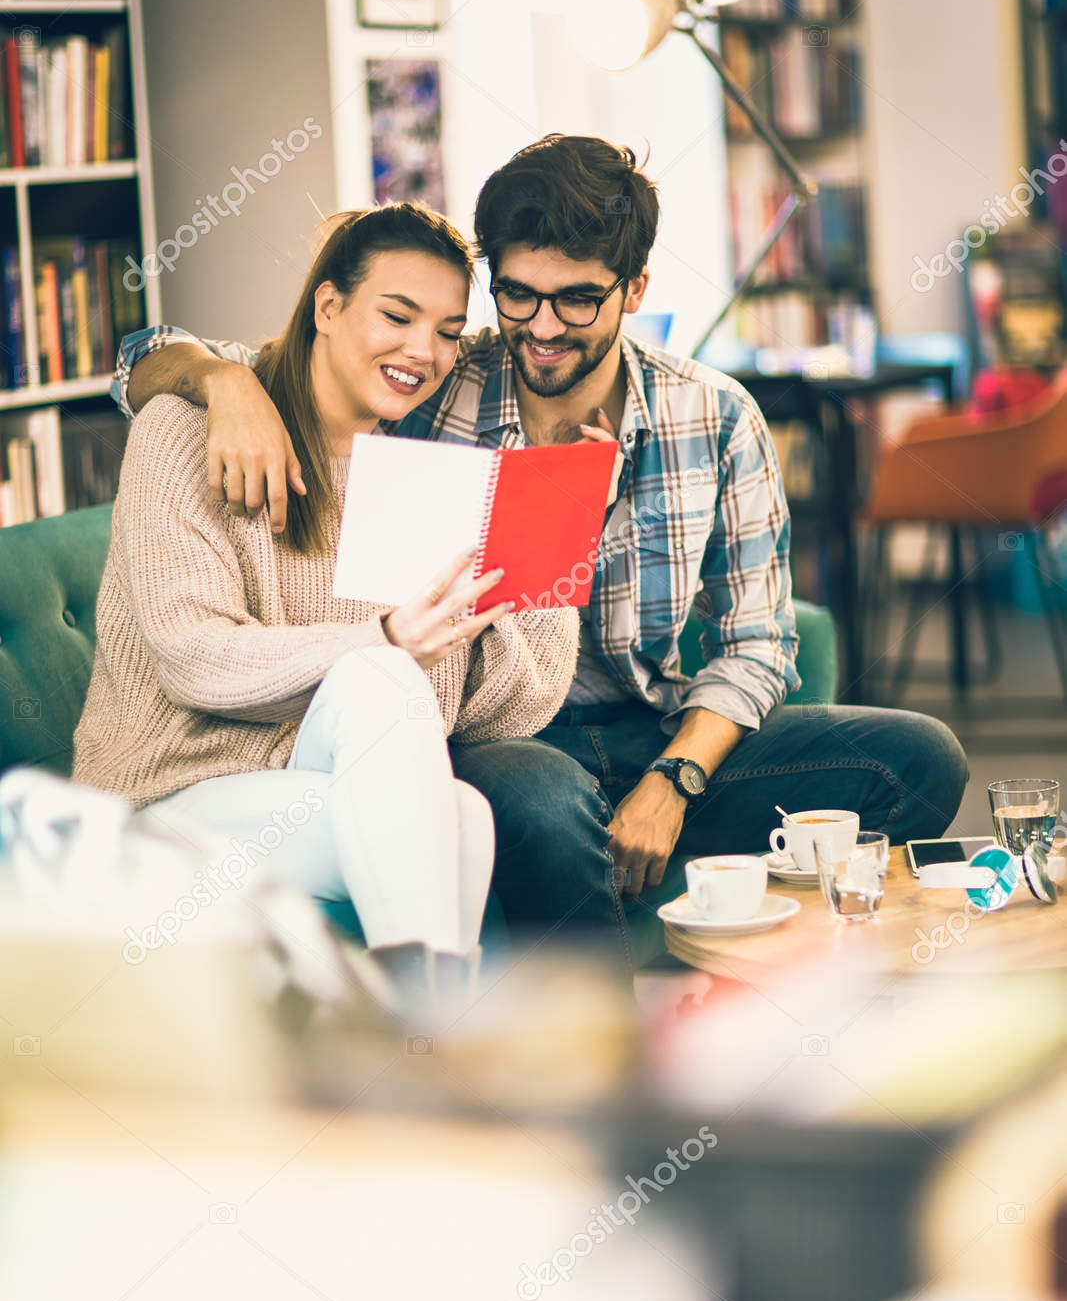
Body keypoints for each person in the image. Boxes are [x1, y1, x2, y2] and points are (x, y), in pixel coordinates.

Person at [112, 135, 968, 969]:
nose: (542, 328)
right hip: (500, 735)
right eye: (517, 295)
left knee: (916, 756)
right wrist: (215, 383)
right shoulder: (433, 382)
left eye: (576, 300)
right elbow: (195, 364)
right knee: (540, 802)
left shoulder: (714, 415)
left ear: (633, 288)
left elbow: (757, 647)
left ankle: (790, 1001)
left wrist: (672, 785)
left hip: (657, 731)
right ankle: (598, 1060)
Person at [75, 203, 579, 996]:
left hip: (311, 783)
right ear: (329, 306)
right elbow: (192, 661)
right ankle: (443, 1046)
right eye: (398, 314)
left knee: (461, 804)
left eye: (449, 330)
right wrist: (381, 642)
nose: (425, 350)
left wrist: (551, 535)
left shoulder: (411, 482)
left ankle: (420, 1051)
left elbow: (502, 713)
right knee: (412, 734)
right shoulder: (186, 428)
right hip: (163, 803)